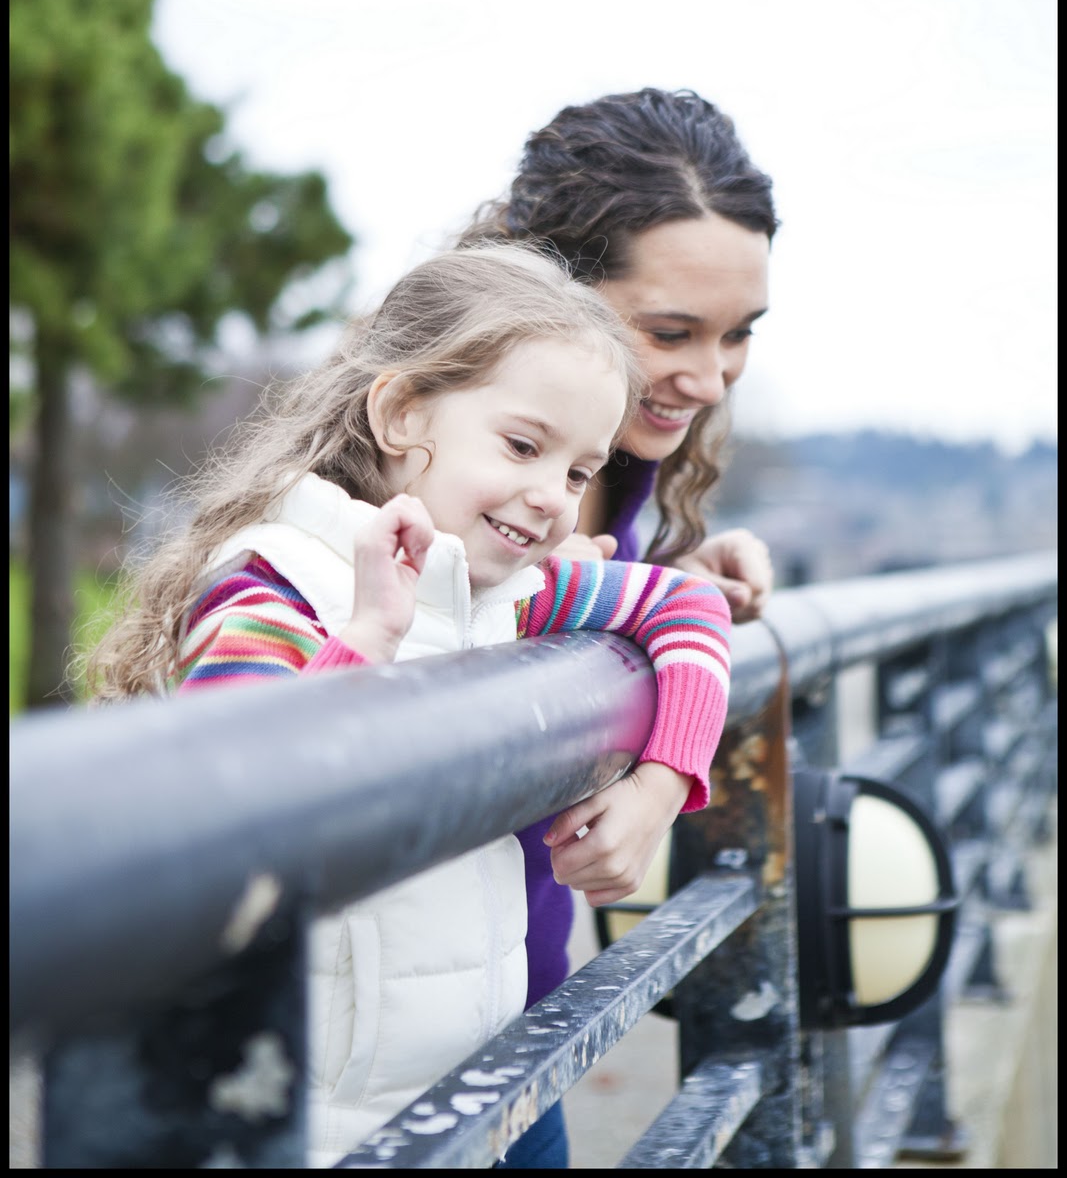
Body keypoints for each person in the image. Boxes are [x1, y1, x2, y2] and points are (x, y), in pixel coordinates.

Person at [85, 243, 732, 1169]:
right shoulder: (275, 586)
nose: (551, 498)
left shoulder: (503, 590)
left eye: (581, 472)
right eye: (521, 445)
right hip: (299, 1125)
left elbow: (687, 607)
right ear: (397, 412)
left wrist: (662, 782)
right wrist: (366, 643)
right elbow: (241, 799)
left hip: (467, 1097)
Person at [459, 87, 779, 1168]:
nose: (708, 376)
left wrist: (665, 579)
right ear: (546, 290)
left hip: (528, 1008)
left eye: (737, 334)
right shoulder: (417, 475)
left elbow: (568, 609)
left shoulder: (626, 469)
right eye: (669, 331)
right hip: (389, 1047)